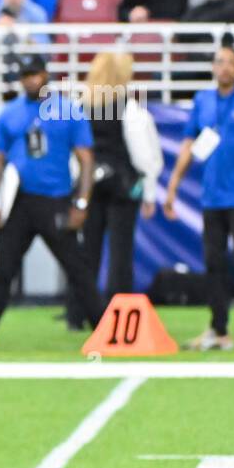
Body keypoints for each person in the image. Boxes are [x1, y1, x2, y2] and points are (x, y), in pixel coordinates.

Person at [0, 55, 104, 348]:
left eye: (35, 74)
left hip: (55, 200)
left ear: (46, 75)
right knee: (4, 270)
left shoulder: (67, 110)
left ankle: (104, 330)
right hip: (19, 203)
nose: (30, 80)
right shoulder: (10, 114)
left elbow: (86, 161)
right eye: (25, 75)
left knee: (77, 268)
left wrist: (81, 203)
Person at [164, 45, 234, 351]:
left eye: (230, 62)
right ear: (212, 67)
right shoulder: (202, 101)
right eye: (219, 62)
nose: (224, 67)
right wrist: (173, 186)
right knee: (213, 261)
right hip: (212, 201)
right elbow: (189, 144)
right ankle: (218, 329)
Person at [64, 52, 162, 329]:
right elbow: (144, 156)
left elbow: (76, 154)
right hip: (123, 187)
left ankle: (77, 312)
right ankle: (117, 313)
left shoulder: (81, 106)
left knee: (87, 252)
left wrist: (78, 191)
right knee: (120, 253)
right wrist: (150, 191)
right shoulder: (130, 109)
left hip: (90, 186)